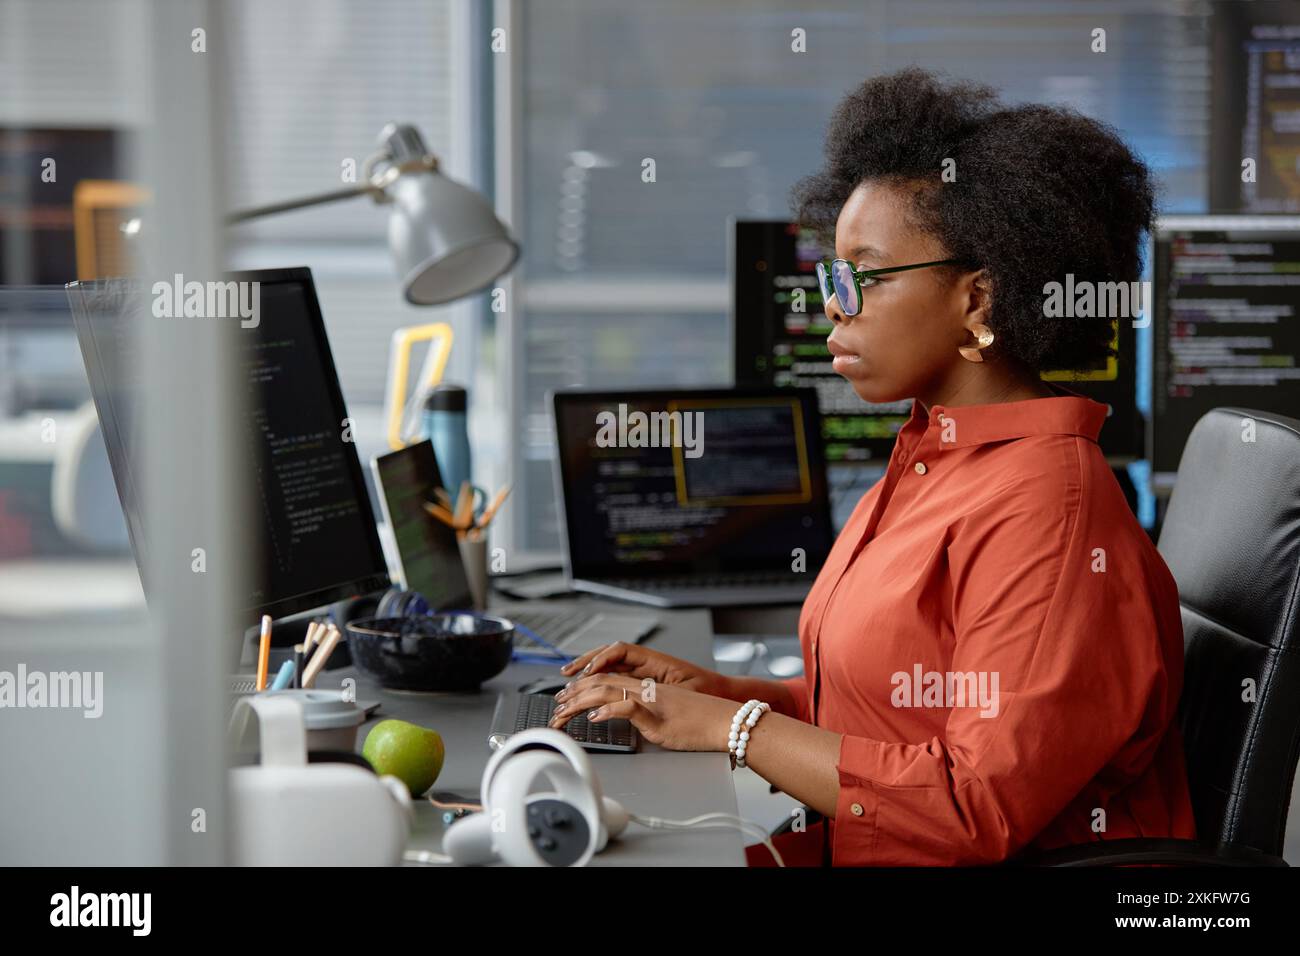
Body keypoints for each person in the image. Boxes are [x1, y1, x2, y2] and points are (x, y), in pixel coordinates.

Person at [550, 68, 1196, 866]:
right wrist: (727, 697)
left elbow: (973, 806)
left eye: (864, 274)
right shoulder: (936, 455)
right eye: (831, 275)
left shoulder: (1046, 511)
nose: (832, 302)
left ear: (980, 300)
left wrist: (736, 731)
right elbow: (892, 713)